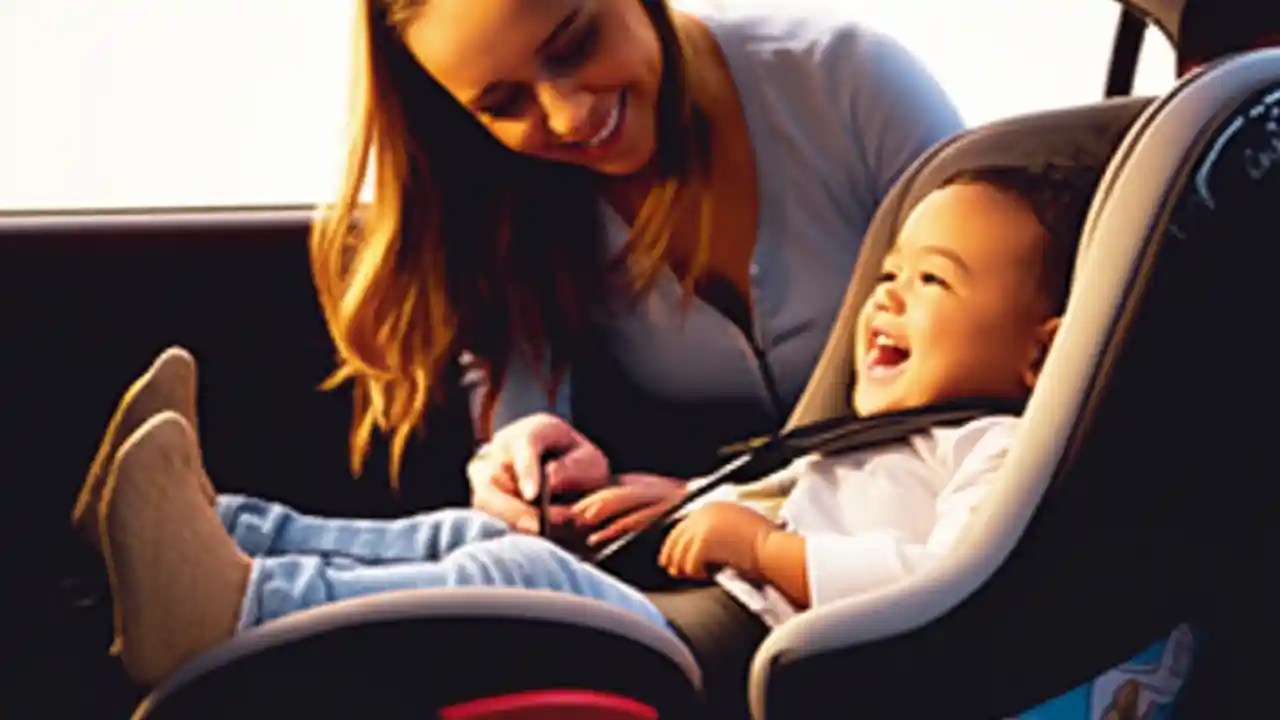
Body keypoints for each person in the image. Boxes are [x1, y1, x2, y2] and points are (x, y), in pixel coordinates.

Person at [76, 163, 1100, 705]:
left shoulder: (995, 452)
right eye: (885, 276)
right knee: (474, 541)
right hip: (708, 606)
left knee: (519, 586)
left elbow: (958, 591)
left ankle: (235, 606)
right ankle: (228, 528)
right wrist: (695, 505)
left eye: (930, 283)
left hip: (744, 664)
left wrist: (763, 549)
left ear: (1038, 354)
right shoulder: (888, 438)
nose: (883, 301)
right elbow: (807, 507)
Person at [303, 0, 965, 538]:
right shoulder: (510, 203)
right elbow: (525, 421)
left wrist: (733, 508)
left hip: (924, 547)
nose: (570, 116)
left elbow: (1011, 405)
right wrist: (517, 462)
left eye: (575, 45)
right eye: (503, 104)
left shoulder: (852, 84)